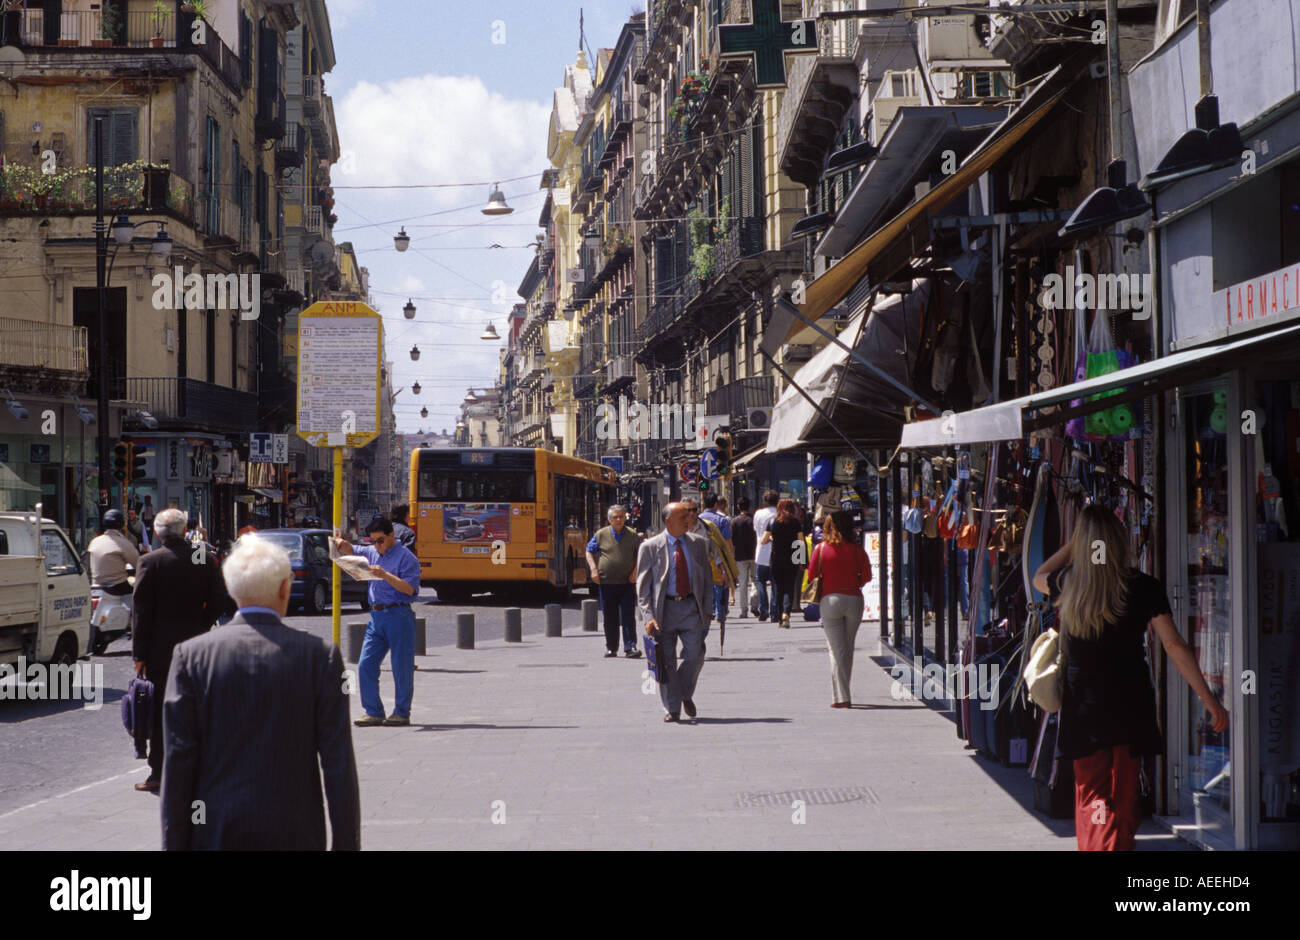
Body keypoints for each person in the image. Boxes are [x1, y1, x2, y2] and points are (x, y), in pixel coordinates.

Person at [1033, 504, 1229, 852]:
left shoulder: (1069, 582)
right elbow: (1174, 645)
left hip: (1083, 709)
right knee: (1124, 795)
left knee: (1092, 795)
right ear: (1119, 542)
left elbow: (1038, 575)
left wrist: (1073, 545)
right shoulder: (1143, 587)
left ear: (1084, 543)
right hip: (1129, 705)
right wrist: (1208, 698)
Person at [161, 536, 361, 850]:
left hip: (215, 829)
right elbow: (338, 763)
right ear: (285, 589)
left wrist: (174, 844)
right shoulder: (320, 656)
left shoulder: (191, 656)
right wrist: (346, 844)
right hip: (295, 831)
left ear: (231, 589)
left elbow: (178, 761)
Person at [131, 508, 231, 793]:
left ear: (159, 533)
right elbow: (218, 600)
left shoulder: (151, 561)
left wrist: (139, 655)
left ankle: (159, 772)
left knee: (163, 709)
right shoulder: (203, 558)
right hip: (198, 645)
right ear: (185, 530)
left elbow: (142, 612)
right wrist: (201, 625)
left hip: (160, 651)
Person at [333, 517, 421, 727]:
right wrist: (341, 544)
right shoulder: (372, 551)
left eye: (380, 540)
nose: (376, 545)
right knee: (366, 664)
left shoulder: (406, 557)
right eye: (373, 541)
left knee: (401, 667)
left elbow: (410, 590)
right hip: (377, 616)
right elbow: (352, 549)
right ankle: (373, 711)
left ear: (392, 535)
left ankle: (401, 712)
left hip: (398, 614)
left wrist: (385, 575)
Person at [636, 502, 713, 722]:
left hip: (691, 607)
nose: (689, 521)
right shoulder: (650, 547)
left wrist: (707, 609)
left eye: (689, 517)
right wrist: (648, 617)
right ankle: (673, 708)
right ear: (668, 521)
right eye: (683, 518)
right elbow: (643, 587)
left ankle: (683, 693)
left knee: (695, 654)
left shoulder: (699, 544)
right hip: (664, 610)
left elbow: (706, 579)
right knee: (666, 660)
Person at [808, 511, 872, 707]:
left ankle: (842, 698)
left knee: (836, 649)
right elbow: (867, 576)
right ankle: (842, 693)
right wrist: (855, 581)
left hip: (830, 600)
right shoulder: (857, 550)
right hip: (854, 599)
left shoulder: (820, 549)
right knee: (847, 647)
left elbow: (811, 575)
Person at [585, 505, 643, 658]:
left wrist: (635, 571)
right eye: (615, 517)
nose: (618, 520)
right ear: (609, 519)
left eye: (621, 517)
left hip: (627, 582)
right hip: (607, 582)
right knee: (609, 616)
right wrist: (593, 569)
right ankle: (611, 647)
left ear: (625, 518)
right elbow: (589, 550)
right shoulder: (601, 534)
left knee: (628, 616)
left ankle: (630, 647)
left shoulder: (632, 535)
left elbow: (640, 554)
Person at [696, 492, 735, 630]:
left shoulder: (698, 519)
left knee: (706, 585)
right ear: (716, 504)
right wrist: (730, 557)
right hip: (719, 555)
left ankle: (709, 610)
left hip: (702, 556)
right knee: (719, 584)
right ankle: (719, 612)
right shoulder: (722, 519)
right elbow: (727, 541)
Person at [765, 499, 804, 628]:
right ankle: (786, 613)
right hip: (793, 557)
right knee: (790, 586)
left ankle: (780, 616)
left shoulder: (772, 522)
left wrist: (772, 538)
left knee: (779, 588)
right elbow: (800, 541)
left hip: (776, 558)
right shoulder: (795, 523)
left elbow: (763, 541)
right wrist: (801, 560)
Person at [87, 509, 139, 596]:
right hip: (117, 587)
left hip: (96, 586)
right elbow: (138, 564)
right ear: (122, 524)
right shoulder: (123, 542)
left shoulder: (94, 542)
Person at [752, 489, 778, 621]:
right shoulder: (779, 514)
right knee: (775, 584)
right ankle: (774, 611)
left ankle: (763, 610)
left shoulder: (758, 513)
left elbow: (756, 530)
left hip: (761, 553)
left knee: (760, 582)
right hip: (775, 554)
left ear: (764, 501)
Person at [730, 498, 756, 621]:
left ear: (738, 506)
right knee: (756, 582)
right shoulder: (753, 520)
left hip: (740, 556)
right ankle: (755, 605)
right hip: (754, 554)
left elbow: (732, 541)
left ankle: (744, 610)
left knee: (743, 584)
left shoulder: (734, 521)